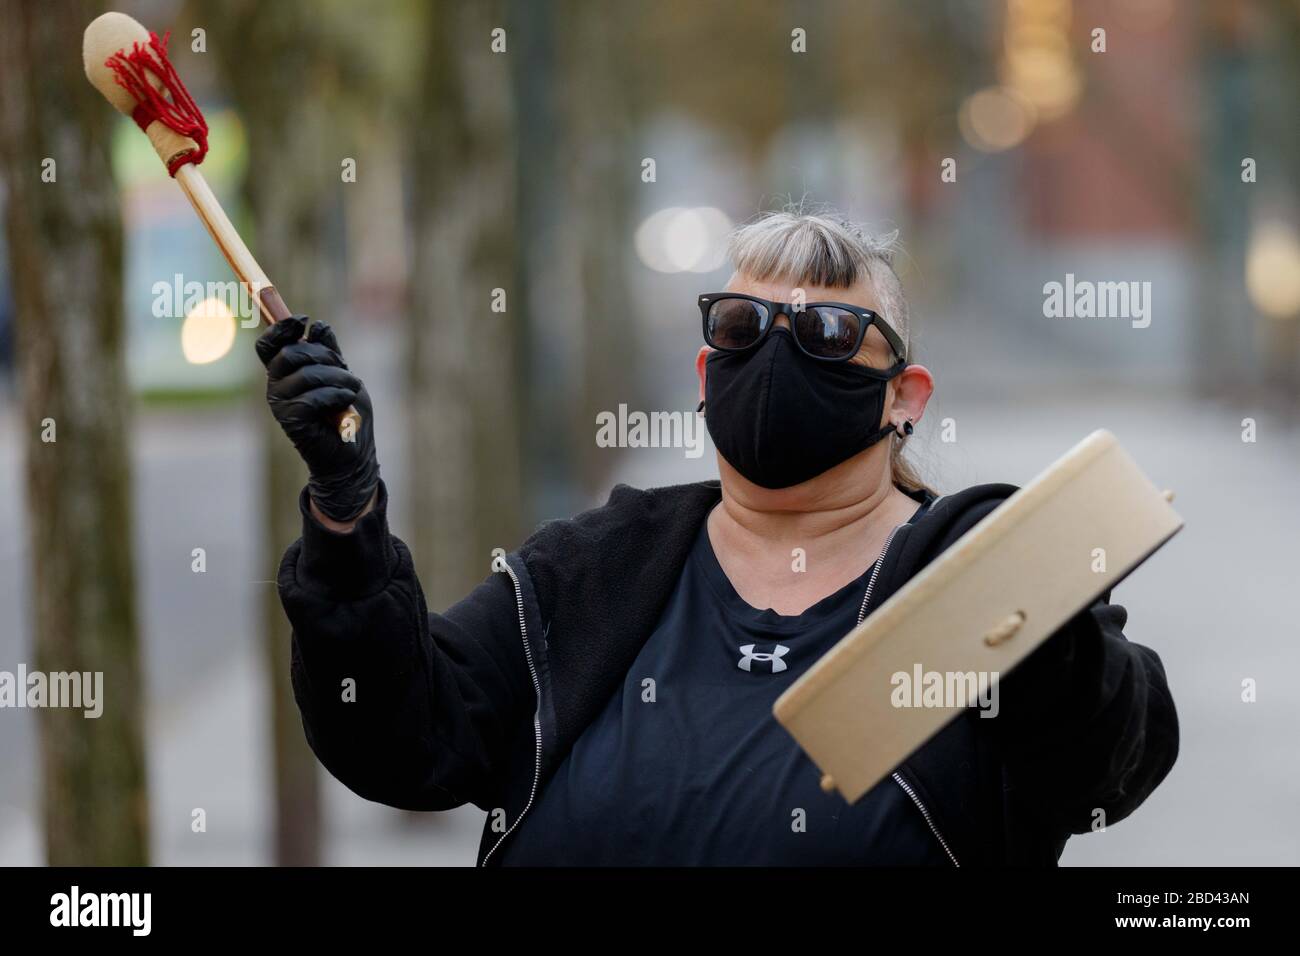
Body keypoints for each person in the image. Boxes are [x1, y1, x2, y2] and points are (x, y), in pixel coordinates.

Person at [257, 207, 1178, 866]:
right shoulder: (591, 570)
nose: (775, 354)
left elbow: (1113, 760)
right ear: (706, 371)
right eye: (742, 326)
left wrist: (1044, 611)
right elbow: (398, 739)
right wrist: (347, 513)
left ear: (906, 396)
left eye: (826, 330)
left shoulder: (975, 568)